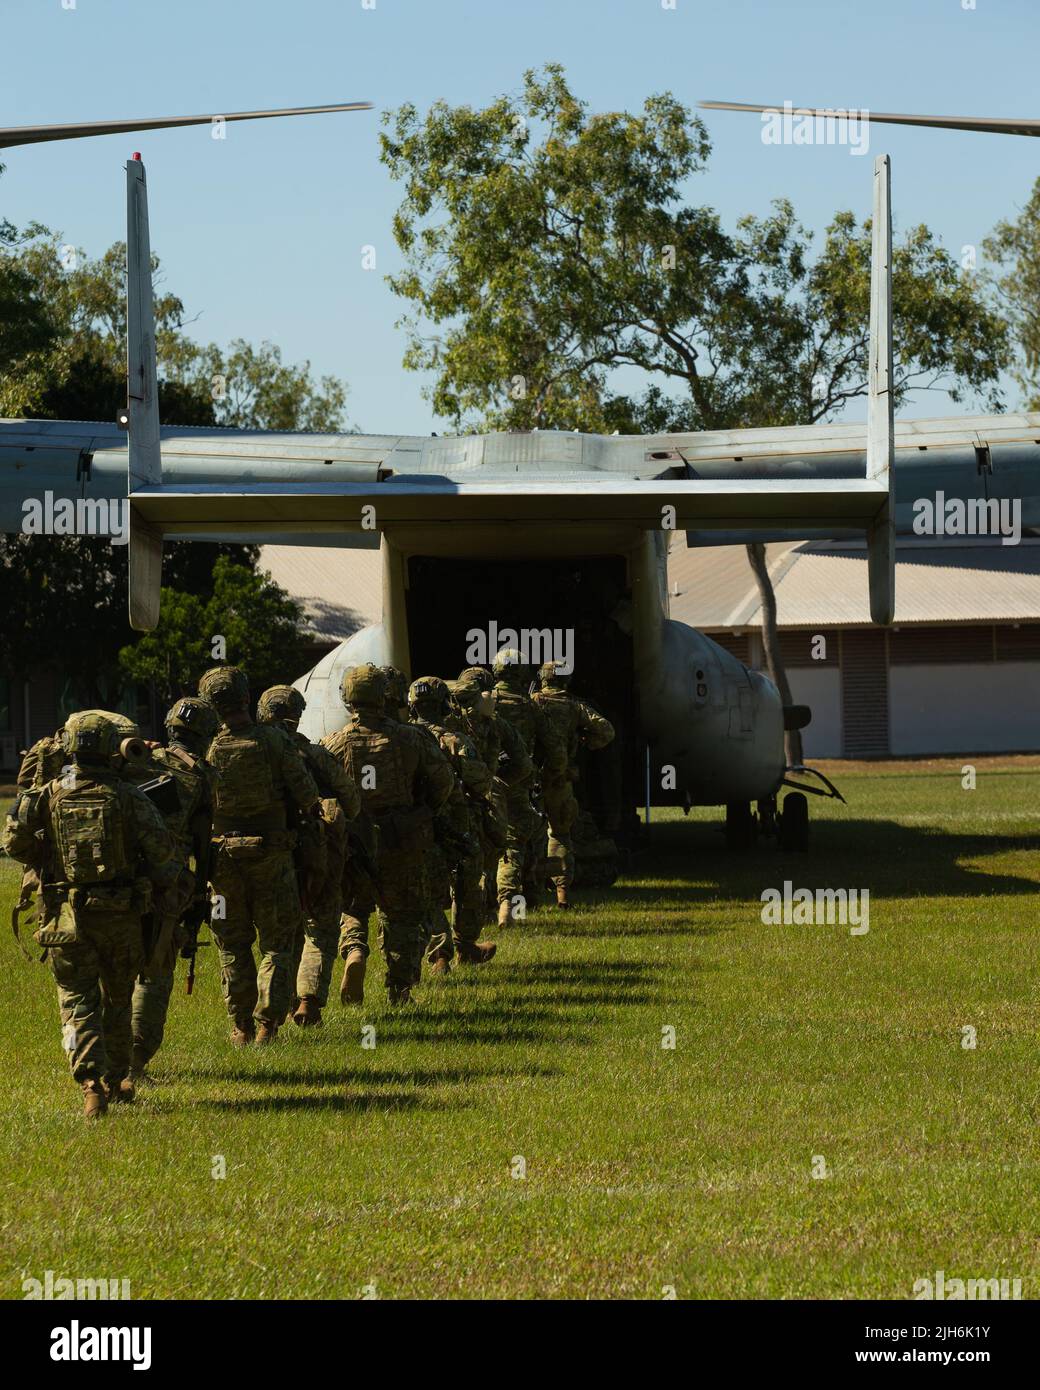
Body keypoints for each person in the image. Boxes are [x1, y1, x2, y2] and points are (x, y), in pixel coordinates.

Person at [2, 711, 177, 1119]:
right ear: (110, 747)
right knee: (118, 998)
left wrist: (47, 856)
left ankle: (90, 1083)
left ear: (70, 747)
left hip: (65, 914)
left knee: (77, 999)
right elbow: (162, 855)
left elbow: (13, 842)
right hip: (121, 914)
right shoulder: (128, 795)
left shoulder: (50, 791)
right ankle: (116, 1078)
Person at [198, 666, 321, 1046]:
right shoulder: (273, 740)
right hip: (271, 855)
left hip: (222, 862)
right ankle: (268, 1023)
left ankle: (241, 1026)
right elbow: (306, 793)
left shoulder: (206, 747)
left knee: (232, 944)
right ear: (247, 698)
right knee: (277, 943)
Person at [322, 664, 453, 1005]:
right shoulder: (411, 737)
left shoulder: (333, 742)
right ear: (384, 696)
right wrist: (424, 811)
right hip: (403, 838)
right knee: (403, 915)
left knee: (353, 905)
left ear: (347, 698)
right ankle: (399, 988)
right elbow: (443, 781)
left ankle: (354, 950)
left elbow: (320, 790)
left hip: (355, 841)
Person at [256, 684, 360, 1026]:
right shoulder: (316, 755)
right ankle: (308, 1001)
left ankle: (277, 1005)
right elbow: (351, 800)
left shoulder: (253, 756)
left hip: (269, 856)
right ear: (297, 717)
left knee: (281, 934)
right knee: (320, 926)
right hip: (318, 854)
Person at [129, 696, 218, 1077]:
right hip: (166, 882)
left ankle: (107, 1057)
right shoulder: (202, 775)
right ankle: (135, 1058)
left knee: (116, 965)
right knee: (157, 965)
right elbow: (203, 841)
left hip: (121, 877)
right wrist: (199, 893)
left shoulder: (137, 759)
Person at [407, 676, 495, 972]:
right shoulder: (456, 741)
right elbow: (482, 782)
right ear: (445, 705)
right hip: (457, 826)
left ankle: (440, 952)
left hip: (417, 827)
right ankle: (465, 946)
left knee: (428, 890)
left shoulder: (402, 739)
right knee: (467, 885)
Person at [490, 648, 565, 926]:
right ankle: (508, 903)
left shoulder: (480, 703)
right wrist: (552, 775)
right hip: (518, 784)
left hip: (480, 783)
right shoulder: (530, 707)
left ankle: (479, 906)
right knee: (514, 843)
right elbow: (556, 750)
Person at [531, 661, 615, 908]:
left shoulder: (531, 703)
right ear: (565, 680)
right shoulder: (575, 706)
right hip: (560, 781)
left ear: (543, 678)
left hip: (530, 780)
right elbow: (606, 731)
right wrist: (585, 742)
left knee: (525, 837)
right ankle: (562, 894)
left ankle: (528, 893)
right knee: (560, 836)